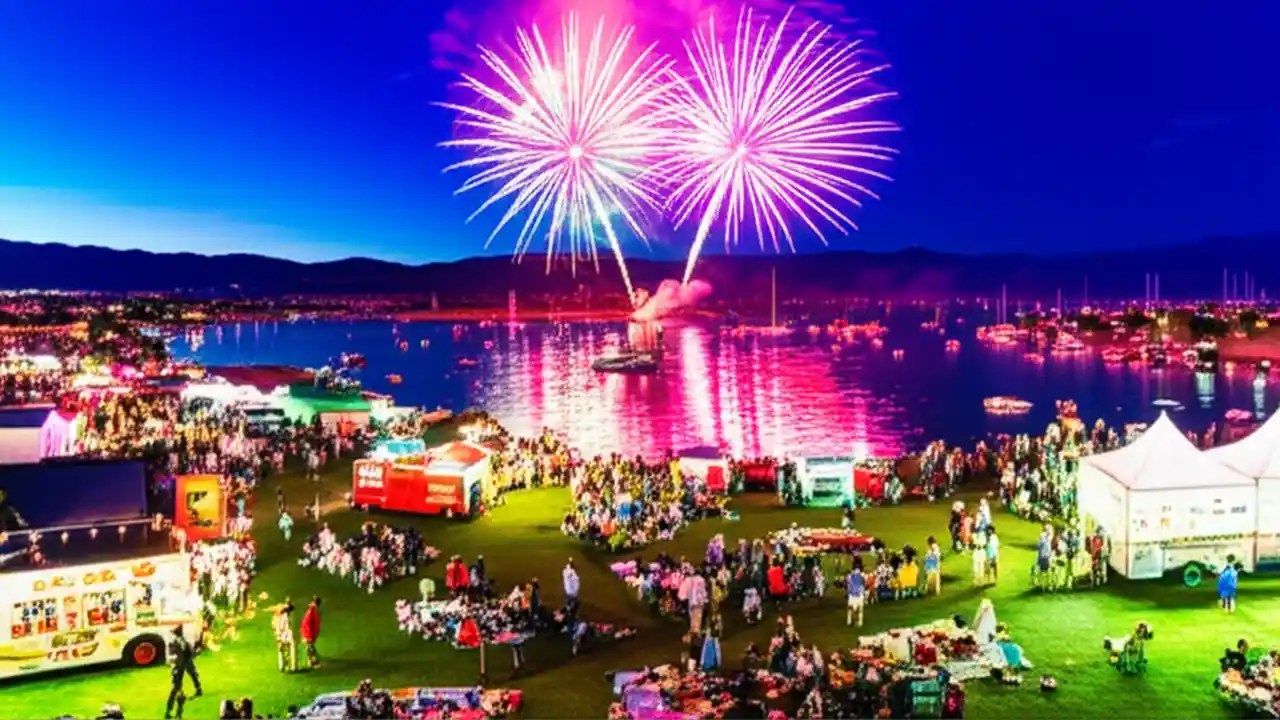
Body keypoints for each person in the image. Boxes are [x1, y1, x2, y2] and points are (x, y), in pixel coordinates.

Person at [166, 625, 200, 719]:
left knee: (193, 675)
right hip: (178, 667)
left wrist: (194, 653)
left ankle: (176, 712)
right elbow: (171, 656)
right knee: (176, 689)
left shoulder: (183, 641)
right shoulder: (174, 643)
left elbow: (189, 651)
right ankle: (169, 711)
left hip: (185, 663)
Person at [274, 601, 297, 673]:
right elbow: (279, 628)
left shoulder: (283, 616)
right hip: (284, 636)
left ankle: (290, 666)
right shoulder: (282, 617)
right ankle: (285, 666)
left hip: (287, 636)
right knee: (284, 651)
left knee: (287, 651)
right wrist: (278, 637)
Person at [300, 596, 322, 669]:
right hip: (308, 634)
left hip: (310, 633)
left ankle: (311, 662)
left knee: (311, 648)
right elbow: (306, 623)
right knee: (310, 649)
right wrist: (308, 636)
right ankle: (312, 663)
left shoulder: (313, 609)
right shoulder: (311, 610)